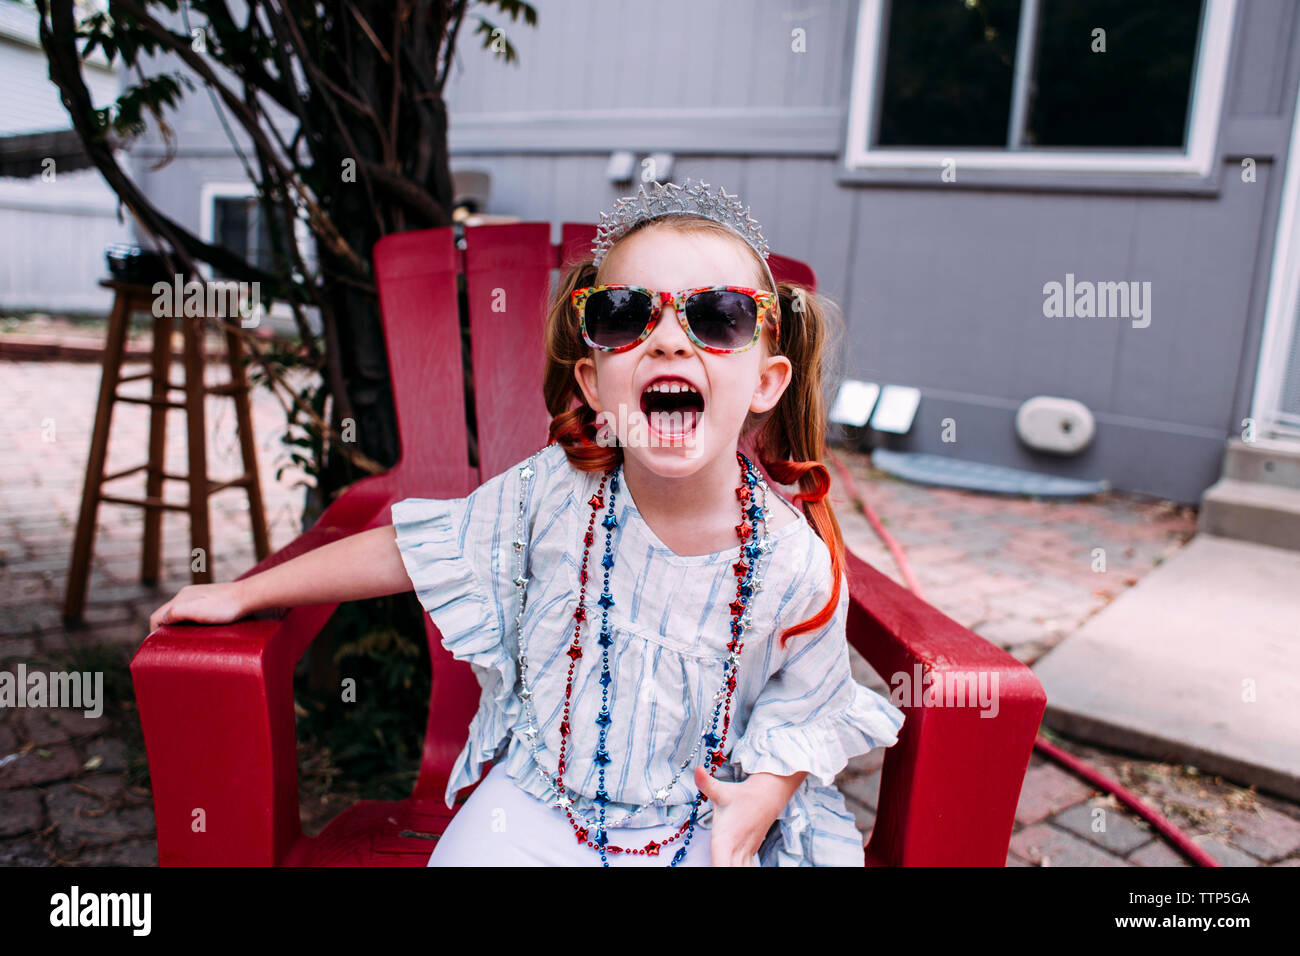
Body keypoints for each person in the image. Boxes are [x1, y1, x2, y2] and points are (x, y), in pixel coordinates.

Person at [148, 179, 906, 867]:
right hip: (544, 805)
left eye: (719, 317)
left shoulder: (793, 564)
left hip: (701, 817)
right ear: (594, 382)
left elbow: (803, 709)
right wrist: (246, 593)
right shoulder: (554, 495)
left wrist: (767, 794)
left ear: (768, 383)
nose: (670, 339)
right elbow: (412, 551)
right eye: (624, 316)